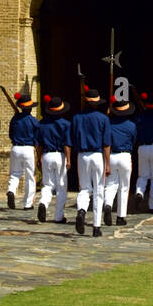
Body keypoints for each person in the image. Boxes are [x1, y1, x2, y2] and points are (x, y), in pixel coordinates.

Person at [69, 88, 111, 237]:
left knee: (85, 188)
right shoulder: (103, 119)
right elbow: (106, 143)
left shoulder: (76, 118)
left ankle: (81, 210)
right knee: (99, 190)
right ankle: (96, 226)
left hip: (82, 155)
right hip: (97, 155)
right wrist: (108, 163)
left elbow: (72, 139)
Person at [103, 97, 137, 226]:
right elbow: (134, 141)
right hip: (125, 156)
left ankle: (108, 204)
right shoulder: (131, 125)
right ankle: (120, 216)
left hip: (111, 156)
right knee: (124, 187)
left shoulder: (108, 124)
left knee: (111, 185)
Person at [36, 95, 70, 223]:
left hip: (46, 155)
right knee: (61, 186)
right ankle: (58, 216)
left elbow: (38, 144)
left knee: (48, 184)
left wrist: (38, 158)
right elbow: (67, 144)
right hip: (60, 154)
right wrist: (69, 159)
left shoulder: (42, 124)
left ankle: (43, 203)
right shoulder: (66, 124)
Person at [6, 91, 40, 212]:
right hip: (28, 148)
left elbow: (10, 135)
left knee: (15, 173)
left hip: (15, 147)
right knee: (30, 176)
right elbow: (37, 140)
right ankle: (28, 203)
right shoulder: (34, 121)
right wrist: (39, 155)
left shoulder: (15, 119)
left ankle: (11, 190)